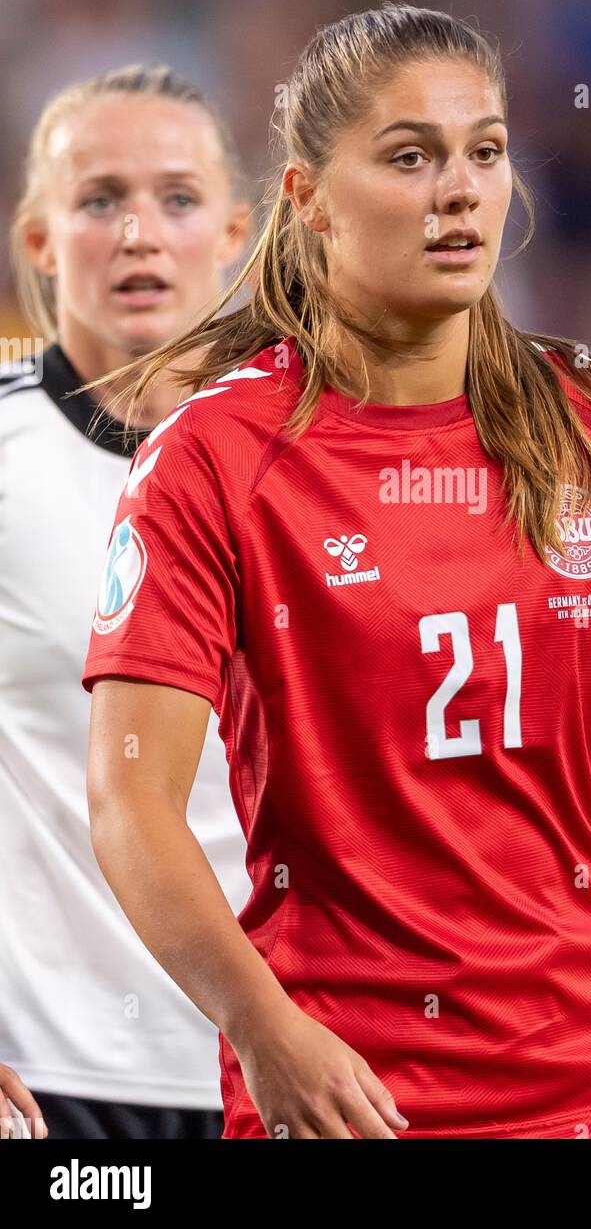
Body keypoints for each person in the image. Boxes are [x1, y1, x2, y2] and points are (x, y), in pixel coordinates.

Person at [79, 2, 591, 1140]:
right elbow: (128, 798)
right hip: (353, 1093)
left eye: (483, 152)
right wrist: (263, 1028)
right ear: (306, 200)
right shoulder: (211, 463)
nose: (459, 190)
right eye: (409, 157)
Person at [0, 65, 252, 1139]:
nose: (140, 232)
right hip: (46, 1076)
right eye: (100, 199)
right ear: (42, 242)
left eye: (177, 198)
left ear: (237, 232)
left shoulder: (327, 458)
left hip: (297, 1059)